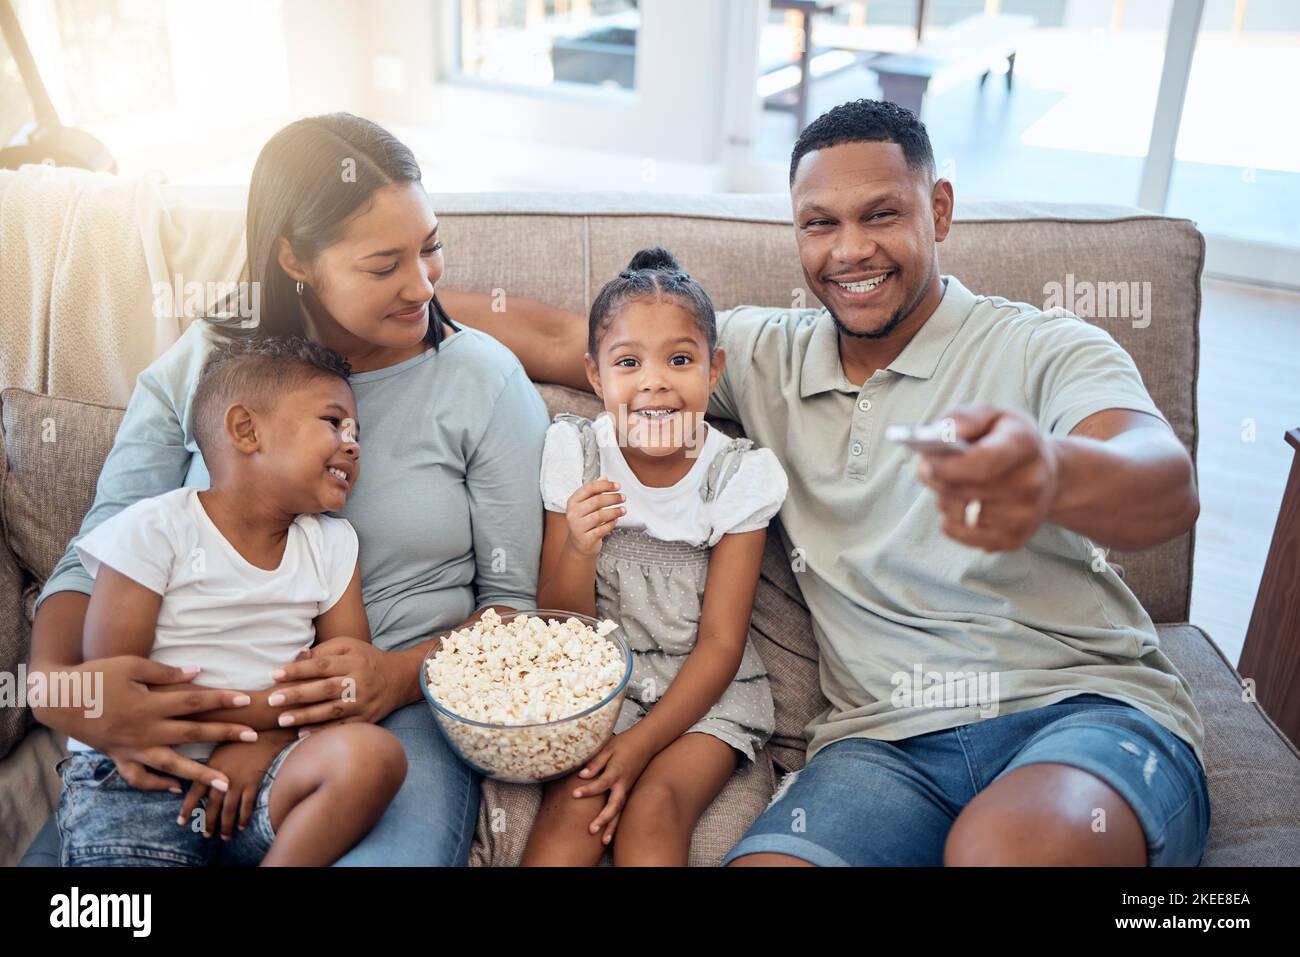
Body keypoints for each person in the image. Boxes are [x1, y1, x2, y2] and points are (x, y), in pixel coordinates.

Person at [456, 100, 1210, 867]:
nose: (851, 251)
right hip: (881, 749)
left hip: (1076, 714)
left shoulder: (1044, 345)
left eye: (882, 215)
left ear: (939, 209)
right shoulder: (757, 355)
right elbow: (561, 336)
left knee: (1004, 852)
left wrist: (1050, 474)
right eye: (821, 224)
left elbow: (1164, 483)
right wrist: (369, 304)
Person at [23, 113, 555, 866]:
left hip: (385, 715)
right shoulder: (205, 368)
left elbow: (514, 609)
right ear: (295, 258)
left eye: (431, 247)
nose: (423, 285)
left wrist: (398, 674)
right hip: (188, 714)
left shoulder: (483, 380)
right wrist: (61, 692)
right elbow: (95, 551)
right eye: (383, 266)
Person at [57, 336, 406, 866]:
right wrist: (258, 726)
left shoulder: (332, 544)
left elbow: (339, 691)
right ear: (246, 430)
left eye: (356, 432)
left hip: (263, 778)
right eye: (334, 423)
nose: (353, 444)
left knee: (373, 757)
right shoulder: (155, 529)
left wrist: (262, 746)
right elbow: (120, 688)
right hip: (140, 780)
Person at [520, 248, 787, 866]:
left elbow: (722, 644)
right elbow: (561, 627)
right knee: (576, 803)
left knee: (655, 808)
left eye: (680, 359)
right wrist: (581, 549)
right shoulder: (577, 455)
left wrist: (639, 745)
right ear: (595, 376)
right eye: (628, 362)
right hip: (602, 684)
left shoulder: (736, 476)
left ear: (713, 368)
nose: (654, 381)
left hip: (707, 694)